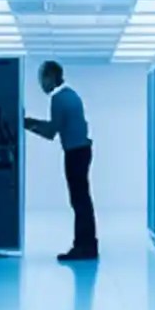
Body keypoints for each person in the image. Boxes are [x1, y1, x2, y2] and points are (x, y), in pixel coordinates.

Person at [24, 61, 98, 260]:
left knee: (79, 201)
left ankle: (84, 247)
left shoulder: (58, 98)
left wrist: (26, 123)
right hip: (81, 150)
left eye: (43, 78)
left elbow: (50, 132)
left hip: (75, 153)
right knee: (82, 199)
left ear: (52, 77)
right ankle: (87, 245)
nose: (41, 83)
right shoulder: (70, 94)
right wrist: (30, 122)